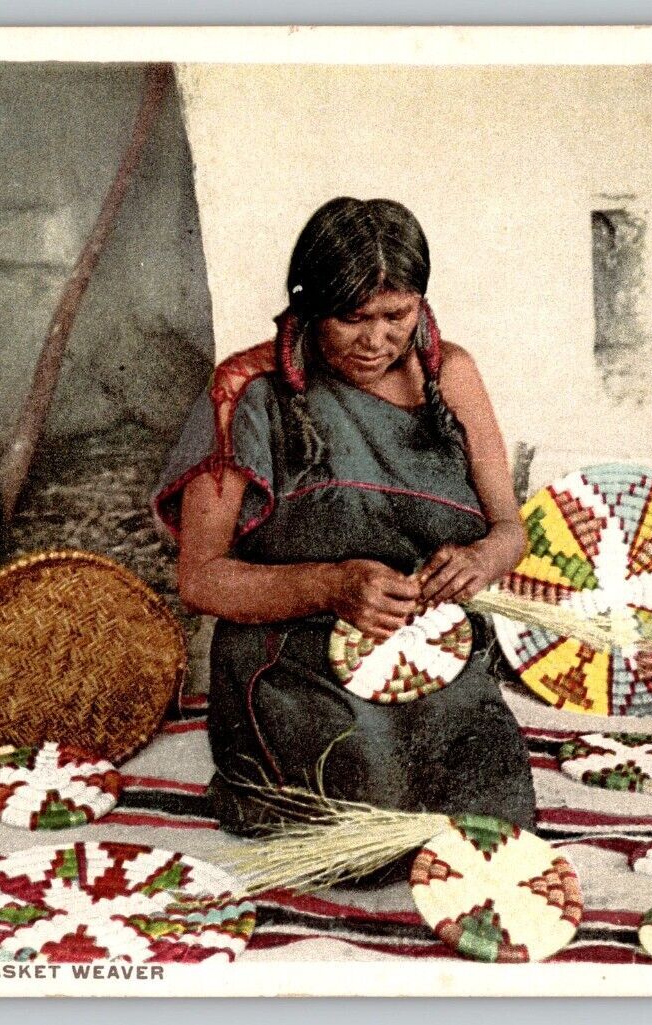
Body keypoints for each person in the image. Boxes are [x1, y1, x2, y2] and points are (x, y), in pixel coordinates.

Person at [151, 197, 537, 841]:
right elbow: (201, 580)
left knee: (491, 815)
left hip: (427, 647)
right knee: (369, 812)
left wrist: (480, 559)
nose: (378, 341)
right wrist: (330, 584)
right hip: (290, 652)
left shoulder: (452, 375)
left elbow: (510, 531)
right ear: (307, 307)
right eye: (352, 318)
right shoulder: (247, 392)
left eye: (397, 315)